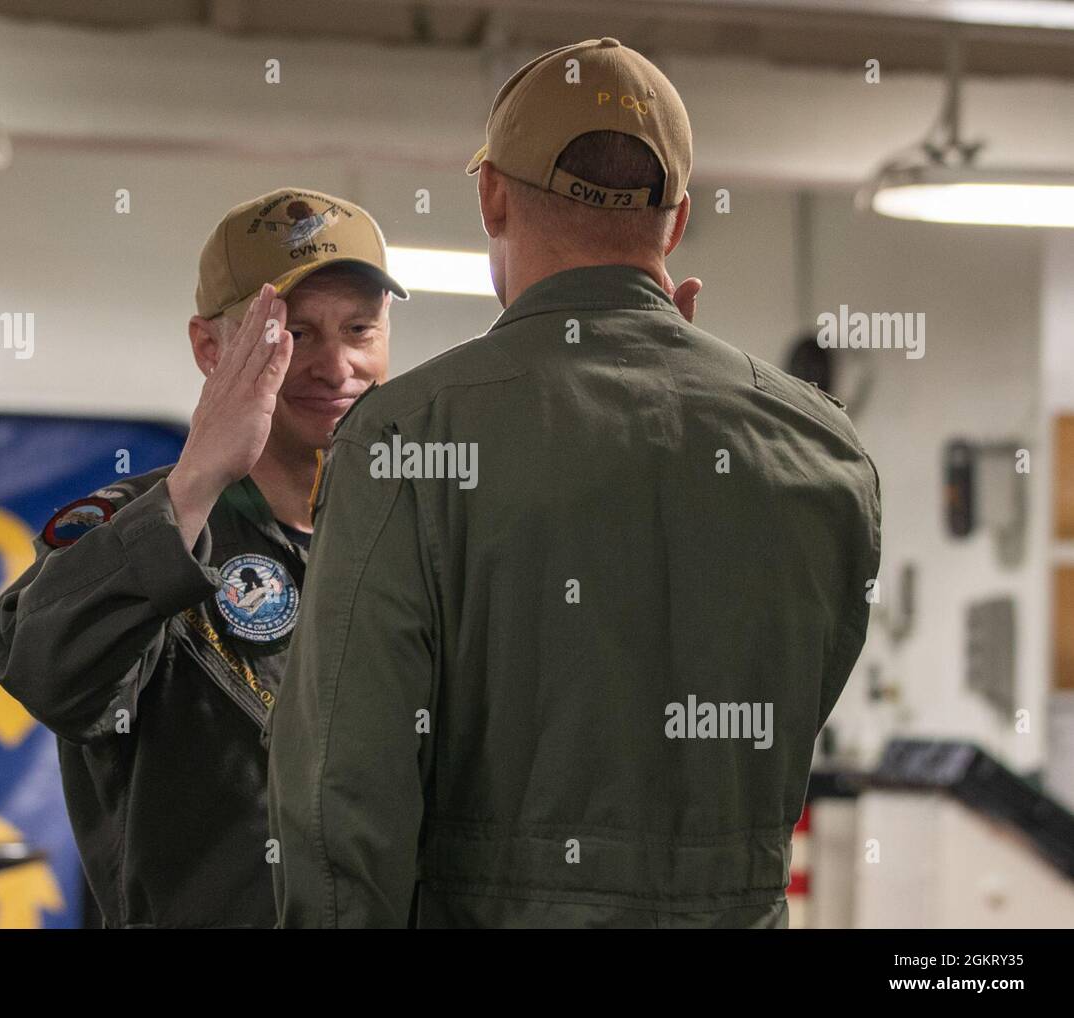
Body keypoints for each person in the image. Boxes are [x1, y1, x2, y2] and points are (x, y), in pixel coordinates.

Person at [267, 39, 881, 928]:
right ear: (674, 222)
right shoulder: (821, 449)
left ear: (489, 196)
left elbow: (342, 798)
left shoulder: (407, 438)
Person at [0, 187, 408, 928]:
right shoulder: (141, 527)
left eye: (360, 329)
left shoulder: (420, 533)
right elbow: (45, 671)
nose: (336, 365)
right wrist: (197, 482)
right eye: (295, 335)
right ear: (211, 349)